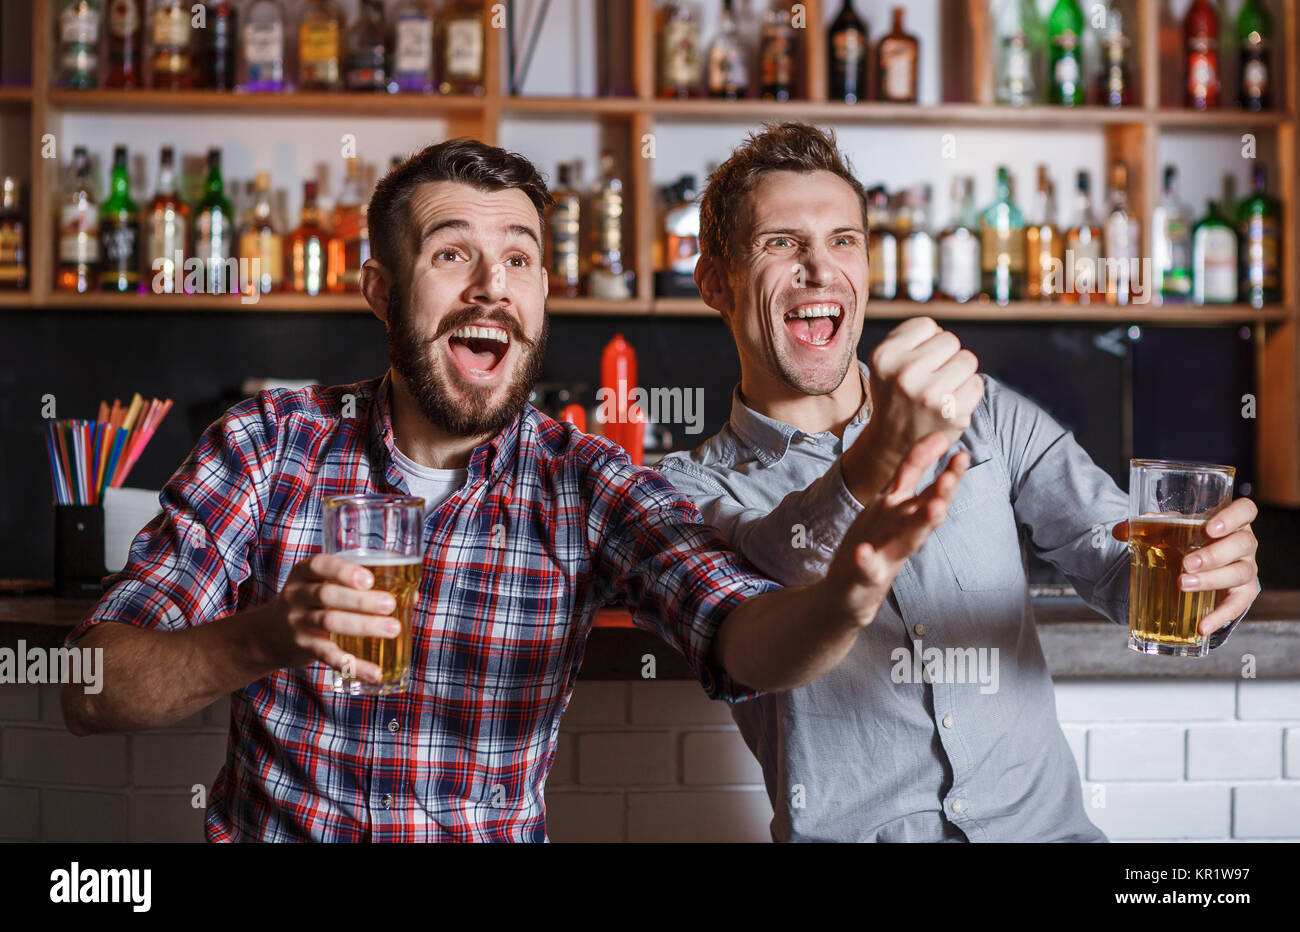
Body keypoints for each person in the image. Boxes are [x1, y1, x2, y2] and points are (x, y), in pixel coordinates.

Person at [61, 138, 968, 842]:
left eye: (521, 260)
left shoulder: (587, 483)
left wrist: (844, 595)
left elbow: (746, 638)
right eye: (452, 255)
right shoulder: (267, 444)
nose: (493, 287)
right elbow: (91, 688)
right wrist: (266, 636)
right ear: (381, 288)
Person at [657, 122, 1262, 842]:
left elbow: (1117, 559)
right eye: (781, 243)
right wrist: (881, 454)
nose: (820, 269)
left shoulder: (987, 412)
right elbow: (779, 575)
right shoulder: (684, 491)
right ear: (715, 282)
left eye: (844, 239)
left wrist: (1209, 581)